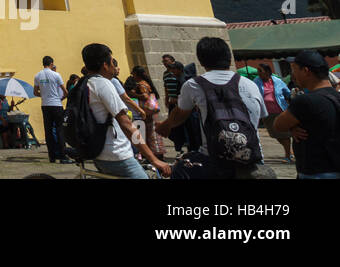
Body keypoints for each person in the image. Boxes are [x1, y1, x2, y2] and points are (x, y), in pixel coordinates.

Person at [158, 36, 272, 179]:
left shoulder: (194, 85)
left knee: (180, 169)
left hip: (214, 161)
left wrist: (166, 125)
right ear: (229, 58)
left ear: (201, 60)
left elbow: (179, 115)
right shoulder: (250, 84)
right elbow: (260, 117)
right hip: (253, 160)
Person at [80, 43, 171, 178]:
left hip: (98, 152)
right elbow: (126, 125)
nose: (114, 66)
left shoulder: (85, 83)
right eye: (112, 61)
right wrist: (154, 159)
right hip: (117, 154)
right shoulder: (103, 84)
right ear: (105, 65)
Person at [272, 50, 340, 179]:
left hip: (316, 172)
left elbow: (278, 125)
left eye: (295, 69)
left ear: (306, 71)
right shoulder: (337, 96)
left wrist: (292, 126)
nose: (293, 75)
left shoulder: (305, 101)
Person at [255, 61, 293, 162]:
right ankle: (290, 152)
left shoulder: (277, 81)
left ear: (267, 72)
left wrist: (292, 96)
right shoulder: (256, 81)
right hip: (267, 113)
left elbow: (287, 93)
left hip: (280, 111)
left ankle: (288, 156)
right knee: (275, 134)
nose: (258, 72)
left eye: (260, 70)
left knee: (284, 134)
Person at [34, 55, 69, 163]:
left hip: (45, 105)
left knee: (48, 131)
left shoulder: (37, 76)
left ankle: (52, 156)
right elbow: (66, 91)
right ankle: (63, 156)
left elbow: (35, 92)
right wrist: (61, 98)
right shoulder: (56, 75)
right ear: (52, 64)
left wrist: (44, 95)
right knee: (59, 130)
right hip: (56, 104)